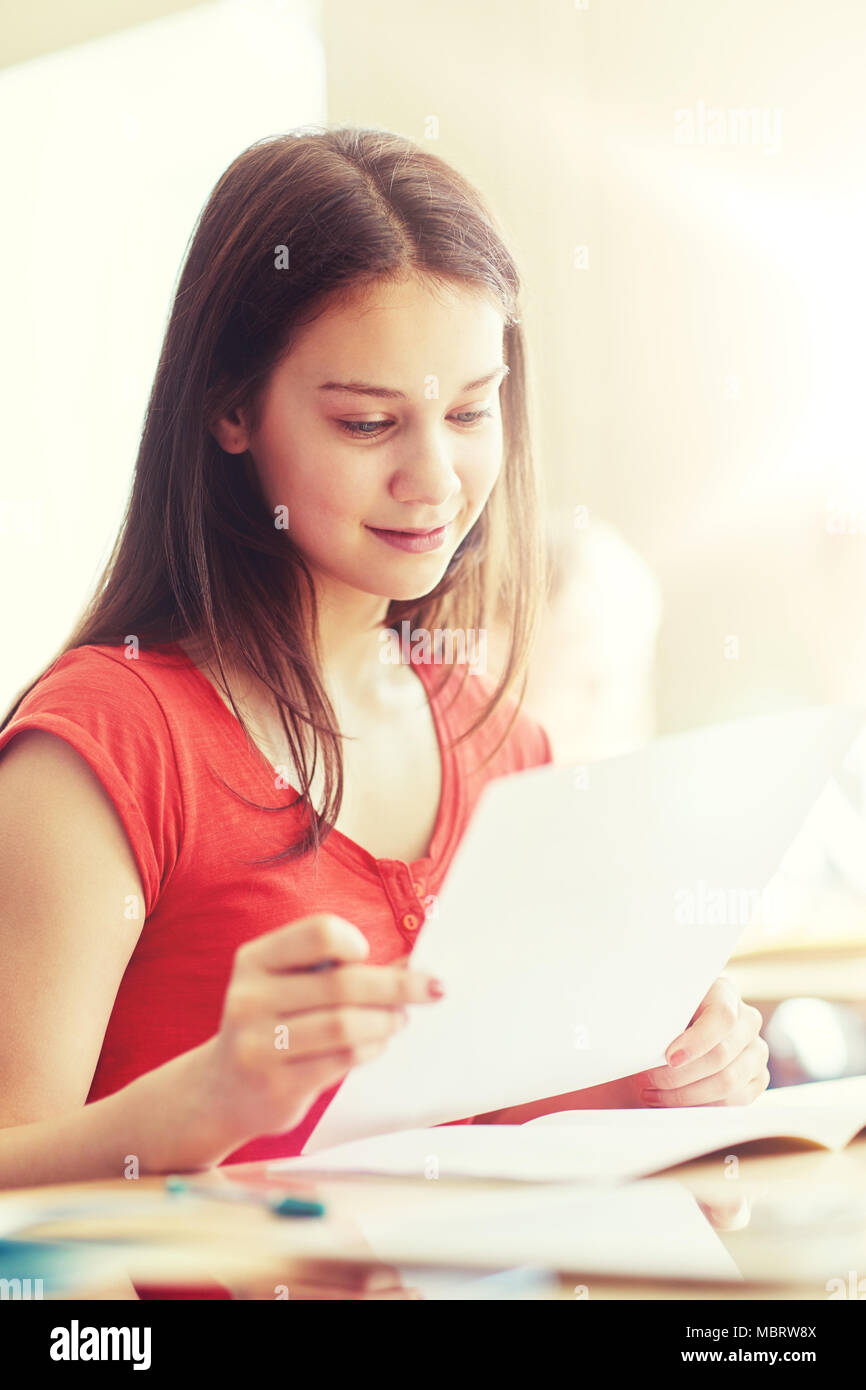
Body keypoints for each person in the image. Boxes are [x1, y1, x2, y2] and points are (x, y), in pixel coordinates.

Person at [0, 128, 769, 1196]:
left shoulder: (501, 739)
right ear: (230, 409)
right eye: (368, 422)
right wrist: (208, 1098)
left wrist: (659, 1071)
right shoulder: (107, 744)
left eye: (468, 410)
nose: (436, 479)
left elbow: (492, 1118)